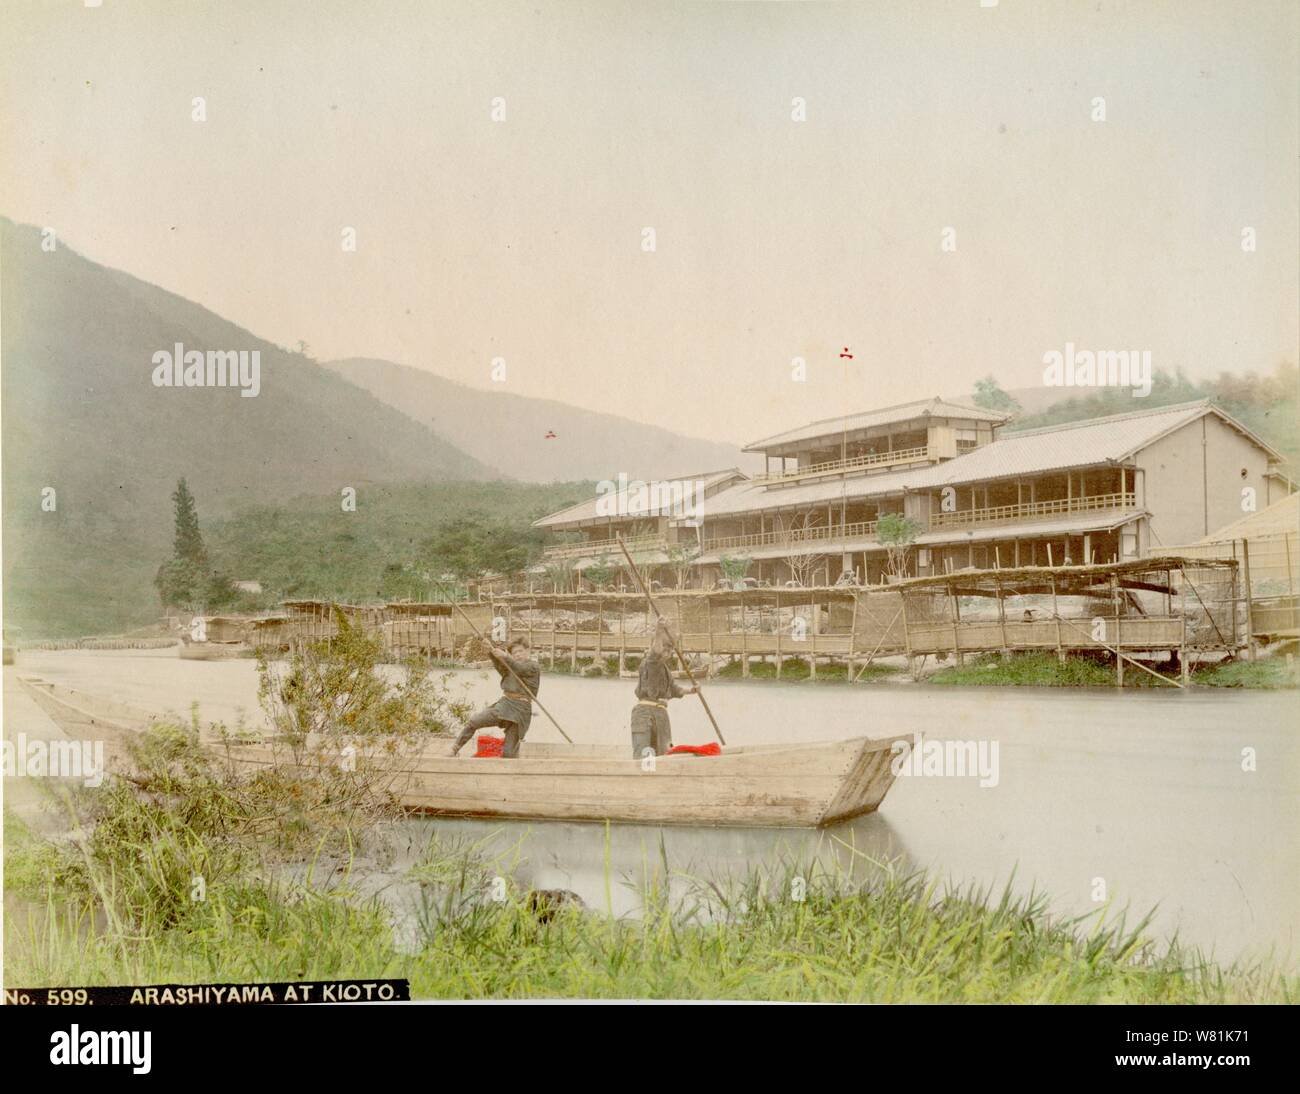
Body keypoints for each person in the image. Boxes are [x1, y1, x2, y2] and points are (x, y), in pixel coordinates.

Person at [451, 637, 540, 759]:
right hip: (505, 705)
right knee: (474, 721)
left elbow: (520, 669)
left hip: (521, 711)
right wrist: (491, 652)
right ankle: (454, 749)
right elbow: (500, 666)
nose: (518, 655)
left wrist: (505, 656)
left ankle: (513, 757)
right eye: (515, 653)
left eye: (521, 651)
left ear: (528, 651)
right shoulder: (510, 666)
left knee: (508, 754)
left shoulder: (533, 667)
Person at [630, 625, 697, 759]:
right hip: (644, 714)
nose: (667, 653)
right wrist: (659, 631)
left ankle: (657, 778)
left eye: (670, 650)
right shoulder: (650, 662)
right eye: (664, 649)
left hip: (661, 715)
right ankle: (642, 777)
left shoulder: (666, 670)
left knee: (663, 755)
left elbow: (674, 689)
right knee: (645, 756)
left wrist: (691, 690)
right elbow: (655, 652)